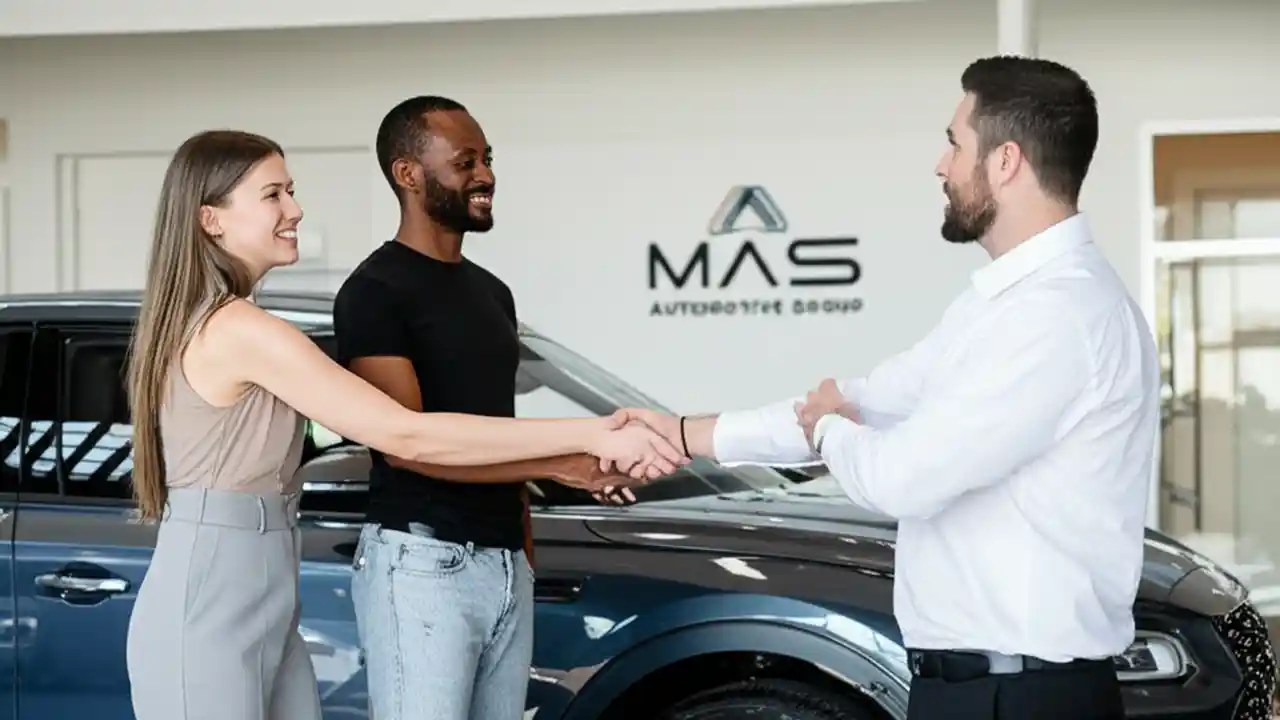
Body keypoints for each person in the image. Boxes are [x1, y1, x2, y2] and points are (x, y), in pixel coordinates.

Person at [619, 56, 1159, 720]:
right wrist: (678, 435)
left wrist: (830, 429)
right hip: (980, 688)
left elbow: (902, 477)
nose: (941, 164)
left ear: (1005, 161)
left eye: (955, 143)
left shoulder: (1056, 316)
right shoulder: (1000, 307)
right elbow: (868, 399)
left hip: (1017, 696)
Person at [123, 129, 683, 720]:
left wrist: (564, 460)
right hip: (211, 595)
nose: (295, 208)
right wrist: (588, 434)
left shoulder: (243, 325)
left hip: (267, 585)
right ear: (210, 219)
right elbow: (405, 433)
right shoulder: (238, 330)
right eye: (273, 195)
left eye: (290, 190)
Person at [334, 94, 639, 720]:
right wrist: (563, 462)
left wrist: (522, 554)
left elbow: (498, 429)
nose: (485, 175)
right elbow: (408, 445)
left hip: (504, 564)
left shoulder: (493, 293)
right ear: (408, 174)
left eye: (488, 159)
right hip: (422, 562)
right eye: (465, 161)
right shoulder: (374, 292)